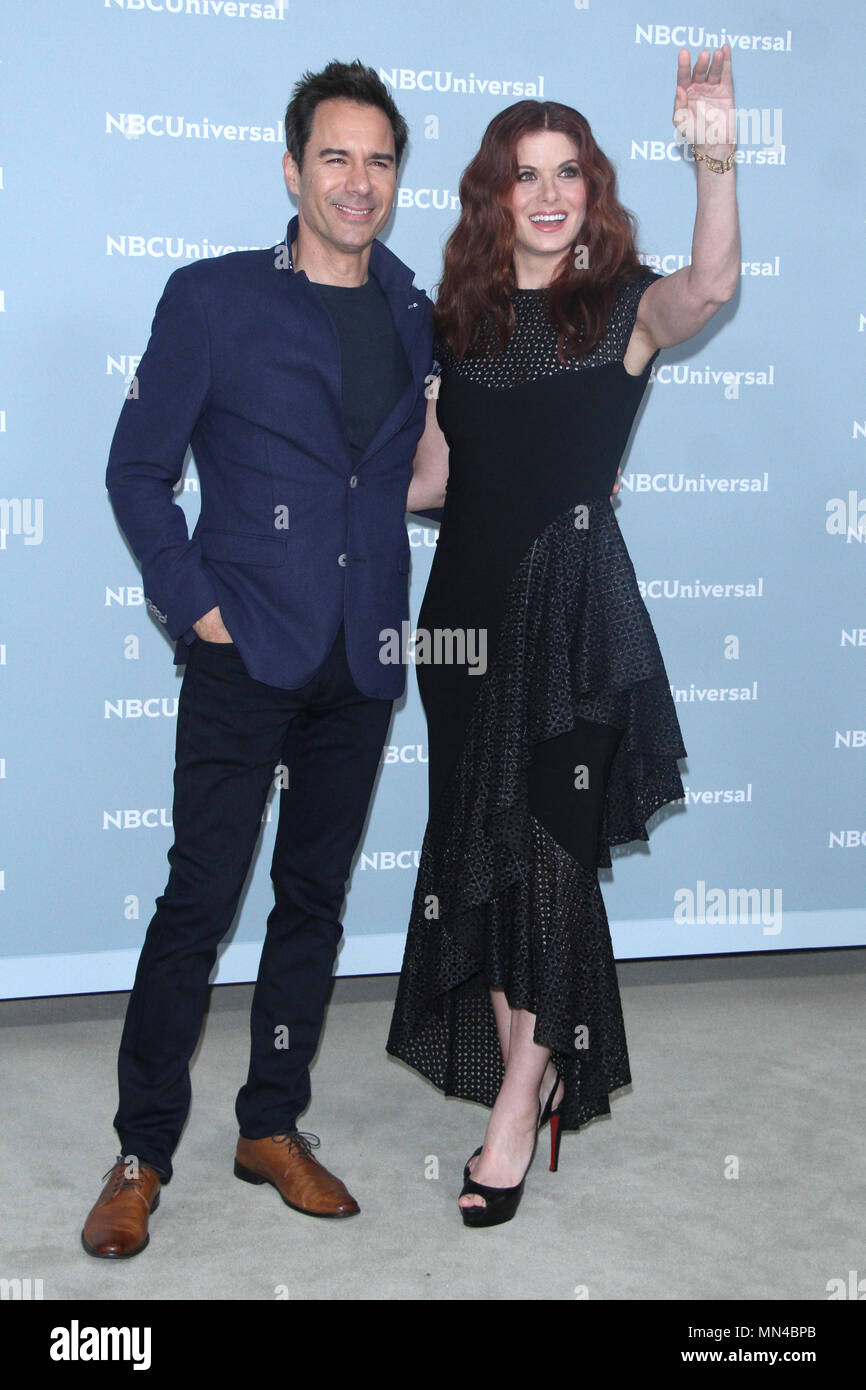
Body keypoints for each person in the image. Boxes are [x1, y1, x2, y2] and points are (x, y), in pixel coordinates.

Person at [82, 60, 433, 1258]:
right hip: (245, 653)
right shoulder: (214, 299)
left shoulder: (413, 309)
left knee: (314, 904)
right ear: (292, 170)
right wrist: (197, 608)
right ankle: (140, 1151)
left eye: (377, 160)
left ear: (395, 178)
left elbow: (403, 478)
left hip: (363, 652)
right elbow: (137, 470)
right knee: (198, 900)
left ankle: (270, 1124)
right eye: (333, 157)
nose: (356, 180)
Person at [388, 46, 741, 1226]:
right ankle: (525, 1083)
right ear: (492, 199)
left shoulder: (628, 301)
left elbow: (712, 286)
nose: (545, 193)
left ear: (591, 191)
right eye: (522, 175)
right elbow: (435, 480)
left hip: (575, 619)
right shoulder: (457, 326)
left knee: (547, 855)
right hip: (461, 626)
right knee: (478, 859)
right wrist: (311, 475)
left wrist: (716, 161)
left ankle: (511, 1109)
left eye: (567, 173)